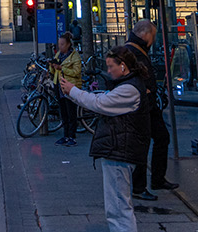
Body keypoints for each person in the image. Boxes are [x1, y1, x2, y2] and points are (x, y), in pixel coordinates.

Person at [59, 45, 152, 232]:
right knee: (117, 204)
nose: (108, 71)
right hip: (119, 148)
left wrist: (74, 91)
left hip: (120, 150)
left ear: (123, 66)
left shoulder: (129, 89)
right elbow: (100, 99)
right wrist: (73, 94)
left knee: (118, 206)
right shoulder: (129, 84)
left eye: (111, 66)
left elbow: (100, 103)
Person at [125, 19, 175, 198]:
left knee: (161, 137)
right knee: (143, 144)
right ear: (145, 35)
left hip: (149, 105)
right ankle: (140, 187)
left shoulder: (134, 50)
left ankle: (157, 179)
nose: (154, 40)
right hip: (142, 106)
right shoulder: (133, 52)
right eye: (153, 36)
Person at [49, 32, 83, 146]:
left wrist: (62, 68)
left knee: (71, 112)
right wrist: (52, 66)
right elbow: (54, 72)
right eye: (59, 44)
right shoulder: (58, 54)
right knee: (63, 112)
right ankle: (65, 135)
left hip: (70, 87)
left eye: (62, 44)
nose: (60, 47)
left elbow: (76, 72)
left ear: (68, 44)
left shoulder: (75, 56)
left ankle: (72, 136)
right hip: (59, 86)